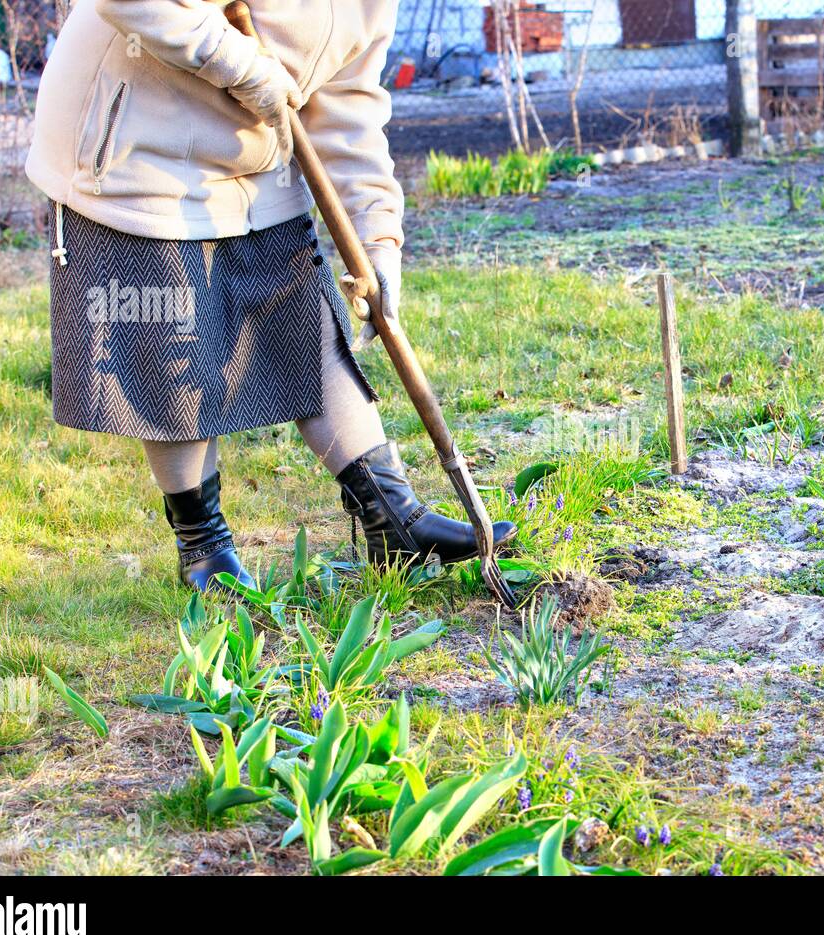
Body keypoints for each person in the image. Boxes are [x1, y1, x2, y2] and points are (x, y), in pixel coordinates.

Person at [25, 0, 514, 591]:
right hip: (133, 150)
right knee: (177, 351)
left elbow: (347, 107)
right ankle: (203, 549)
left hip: (255, 162)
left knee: (307, 330)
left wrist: (379, 238)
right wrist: (243, 66)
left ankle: (394, 519)